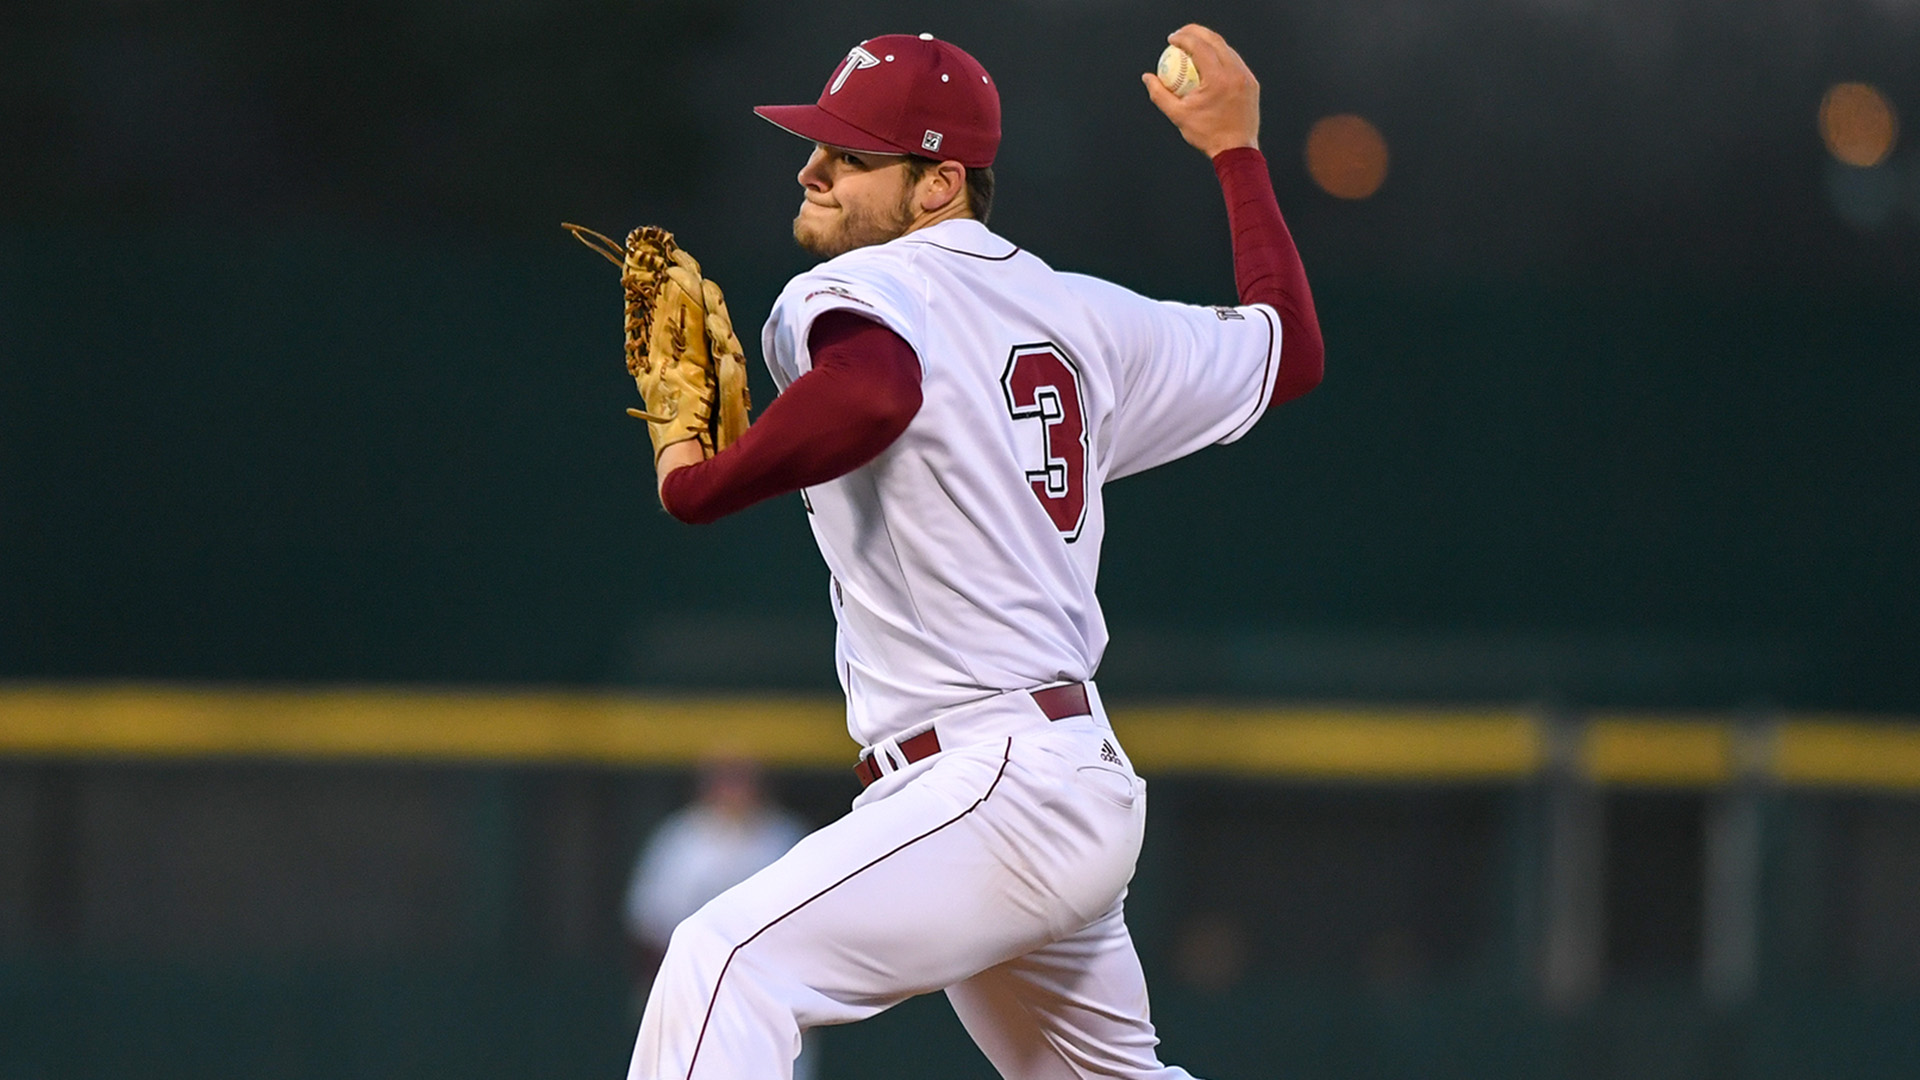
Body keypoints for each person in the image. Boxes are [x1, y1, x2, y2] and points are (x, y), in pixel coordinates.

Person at [627, 23, 1323, 1080]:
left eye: (851, 155)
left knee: (724, 963)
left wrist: (695, 480)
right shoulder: (1084, 316)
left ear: (939, 184)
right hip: (1054, 780)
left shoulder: (873, 284)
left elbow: (877, 392)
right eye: (817, 145)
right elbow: (1287, 348)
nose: (812, 170)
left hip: (993, 784)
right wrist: (1237, 150)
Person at [622, 758, 814, 1079]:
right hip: (695, 995)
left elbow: (811, 931)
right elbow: (650, 926)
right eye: (725, 780)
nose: (734, 790)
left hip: (769, 999)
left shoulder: (783, 838)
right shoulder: (682, 840)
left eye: (742, 779)